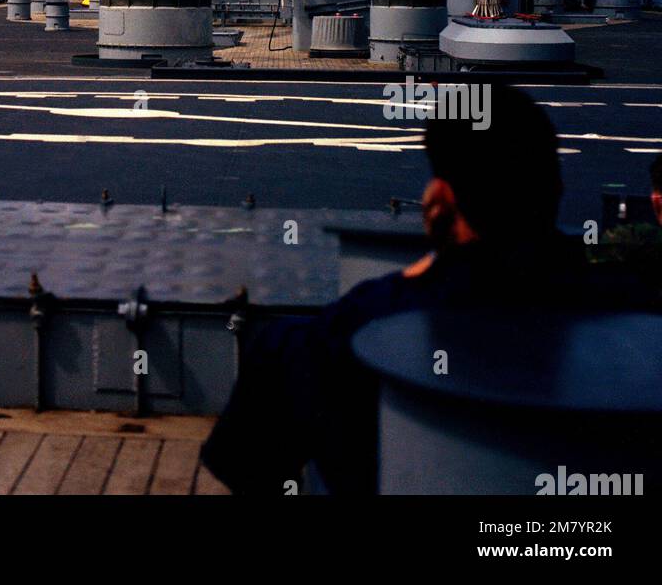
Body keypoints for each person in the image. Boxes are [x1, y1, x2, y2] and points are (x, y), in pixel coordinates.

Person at [200, 84, 654, 495]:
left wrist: (427, 272)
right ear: (553, 186)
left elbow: (245, 466)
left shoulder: (350, 327)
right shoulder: (636, 302)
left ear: (437, 202)